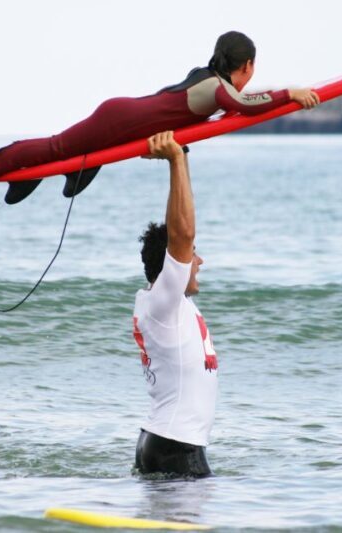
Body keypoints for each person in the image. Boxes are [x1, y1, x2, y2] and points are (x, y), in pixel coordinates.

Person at [0, 31, 319, 205]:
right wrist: (290, 93)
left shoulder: (210, 81)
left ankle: (28, 175)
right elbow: (247, 105)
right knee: (57, 147)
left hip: (122, 122)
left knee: (65, 157)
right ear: (248, 65)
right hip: (118, 120)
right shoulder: (217, 88)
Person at [131, 131, 216, 478]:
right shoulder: (164, 301)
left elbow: (181, 233)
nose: (200, 261)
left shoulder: (167, 303)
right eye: (193, 256)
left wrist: (182, 153)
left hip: (166, 441)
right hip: (175, 448)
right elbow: (182, 235)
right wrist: (175, 162)